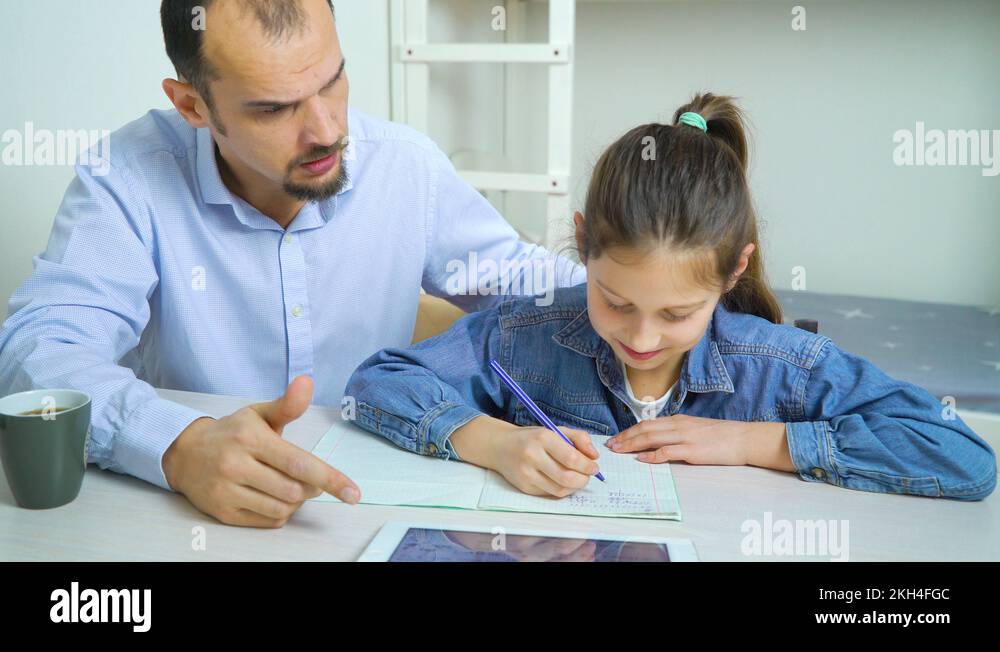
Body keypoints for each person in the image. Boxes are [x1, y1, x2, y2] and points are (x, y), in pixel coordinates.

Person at [0, 0, 582, 527]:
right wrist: (178, 444)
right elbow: (39, 352)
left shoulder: (406, 168)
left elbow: (543, 288)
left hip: (372, 509)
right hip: (191, 519)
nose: (328, 131)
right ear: (192, 105)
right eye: (275, 109)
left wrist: (672, 334)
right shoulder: (128, 175)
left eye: (332, 82)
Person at [345, 93, 996, 501]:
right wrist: (489, 441)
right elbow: (377, 380)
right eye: (616, 300)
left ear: (732, 272)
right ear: (581, 244)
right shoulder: (529, 333)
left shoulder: (780, 368)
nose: (643, 338)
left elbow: (961, 457)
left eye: (678, 314)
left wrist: (755, 444)